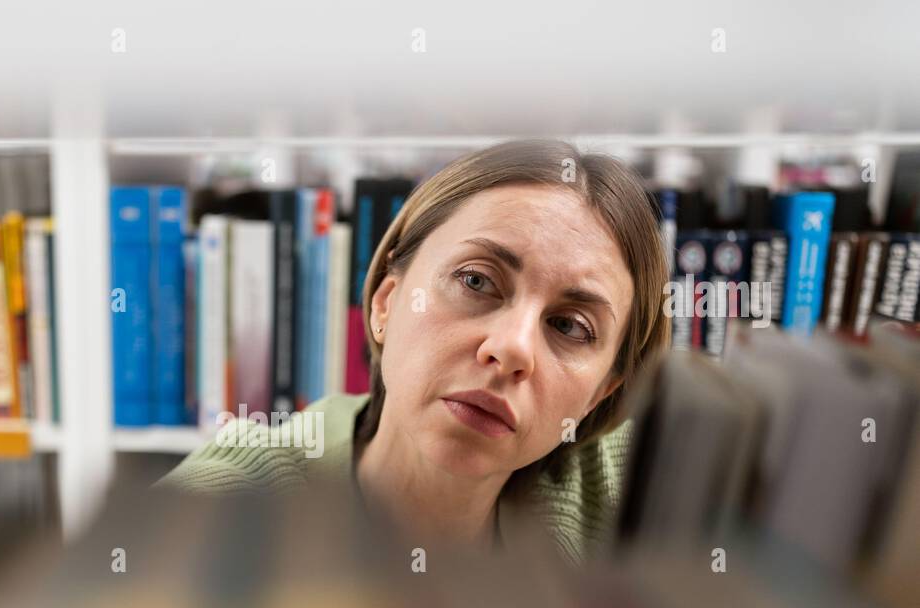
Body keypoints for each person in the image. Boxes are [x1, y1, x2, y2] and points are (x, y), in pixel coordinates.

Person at [158, 140, 671, 563]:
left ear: (601, 391)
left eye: (569, 326)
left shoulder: (624, 482)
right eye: (476, 281)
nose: (512, 348)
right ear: (386, 303)